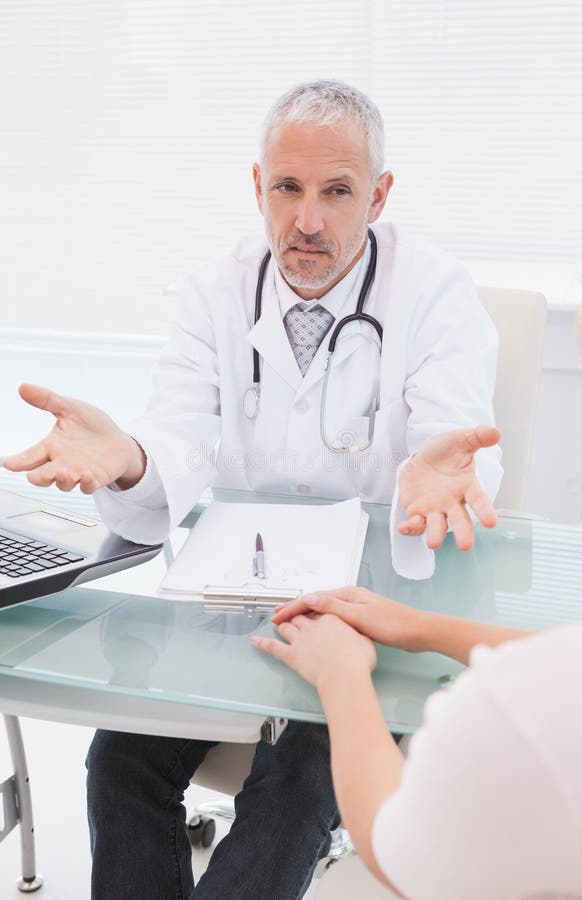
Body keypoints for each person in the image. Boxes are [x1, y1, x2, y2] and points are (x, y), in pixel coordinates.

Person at [3, 81, 503, 899]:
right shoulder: (214, 292)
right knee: (117, 761)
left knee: (299, 789)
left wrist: (435, 476)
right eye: (288, 188)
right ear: (257, 185)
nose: (307, 221)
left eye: (337, 192)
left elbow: (454, 447)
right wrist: (129, 457)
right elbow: (176, 436)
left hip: (357, 613)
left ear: (377, 194)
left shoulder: (436, 295)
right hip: (222, 604)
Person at [256, 212, 582, 898]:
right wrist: (428, 629)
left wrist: (344, 677)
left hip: (355, 643)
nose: (310, 219)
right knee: (121, 757)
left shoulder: (517, 716)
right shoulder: (228, 282)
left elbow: (401, 848)